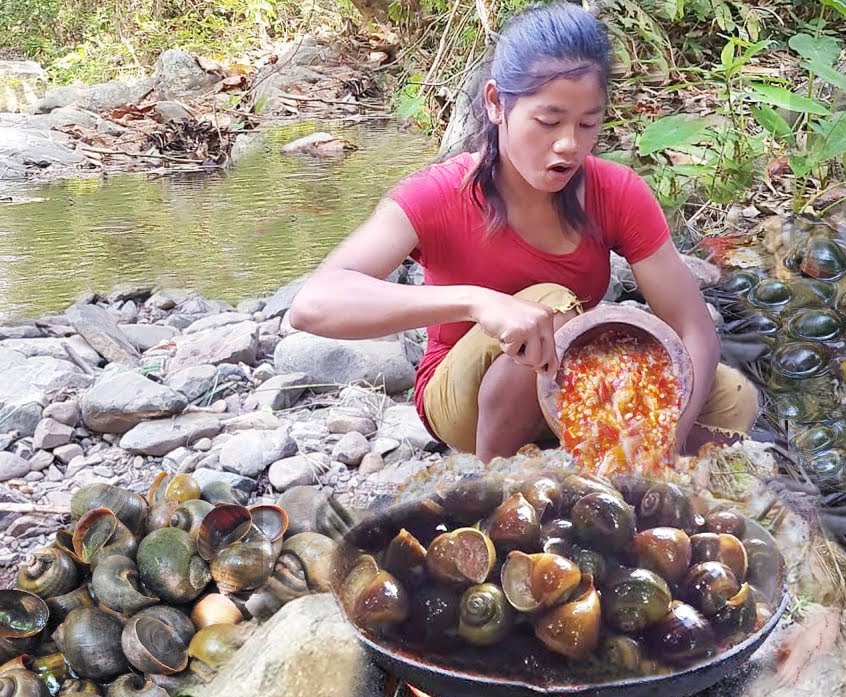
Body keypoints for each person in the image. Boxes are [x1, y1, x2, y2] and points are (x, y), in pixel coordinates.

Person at [287, 2, 759, 463]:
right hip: (465, 401)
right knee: (549, 304)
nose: (569, 144)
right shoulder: (438, 194)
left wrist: (670, 436)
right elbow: (313, 306)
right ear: (496, 104)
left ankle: (615, 463)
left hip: (567, 385)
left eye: (587, 124)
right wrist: (477, 302)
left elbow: (693, 328)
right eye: (548, 122)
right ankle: (499, 484)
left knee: (731, 396)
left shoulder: (616, 192)